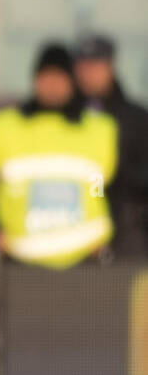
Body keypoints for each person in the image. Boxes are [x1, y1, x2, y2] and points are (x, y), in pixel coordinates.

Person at [0, 44, 118, 269]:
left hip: (87, 260)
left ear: (71, 81)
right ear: (35, 80)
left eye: (59, 78)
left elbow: (109, 188)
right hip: (20, 260)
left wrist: (105, 238)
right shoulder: (4, 127)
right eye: (46, 77)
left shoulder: (99, 128)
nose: (52, 85)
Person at [73, 34, 148, 262]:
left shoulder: (136, 117)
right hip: (72, 226)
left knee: (119, 293)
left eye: (96, 65)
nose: (89, 72)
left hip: (125, 227)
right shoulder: (60, 118)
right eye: (83, 65)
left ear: (110, 66)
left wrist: (115, 176)